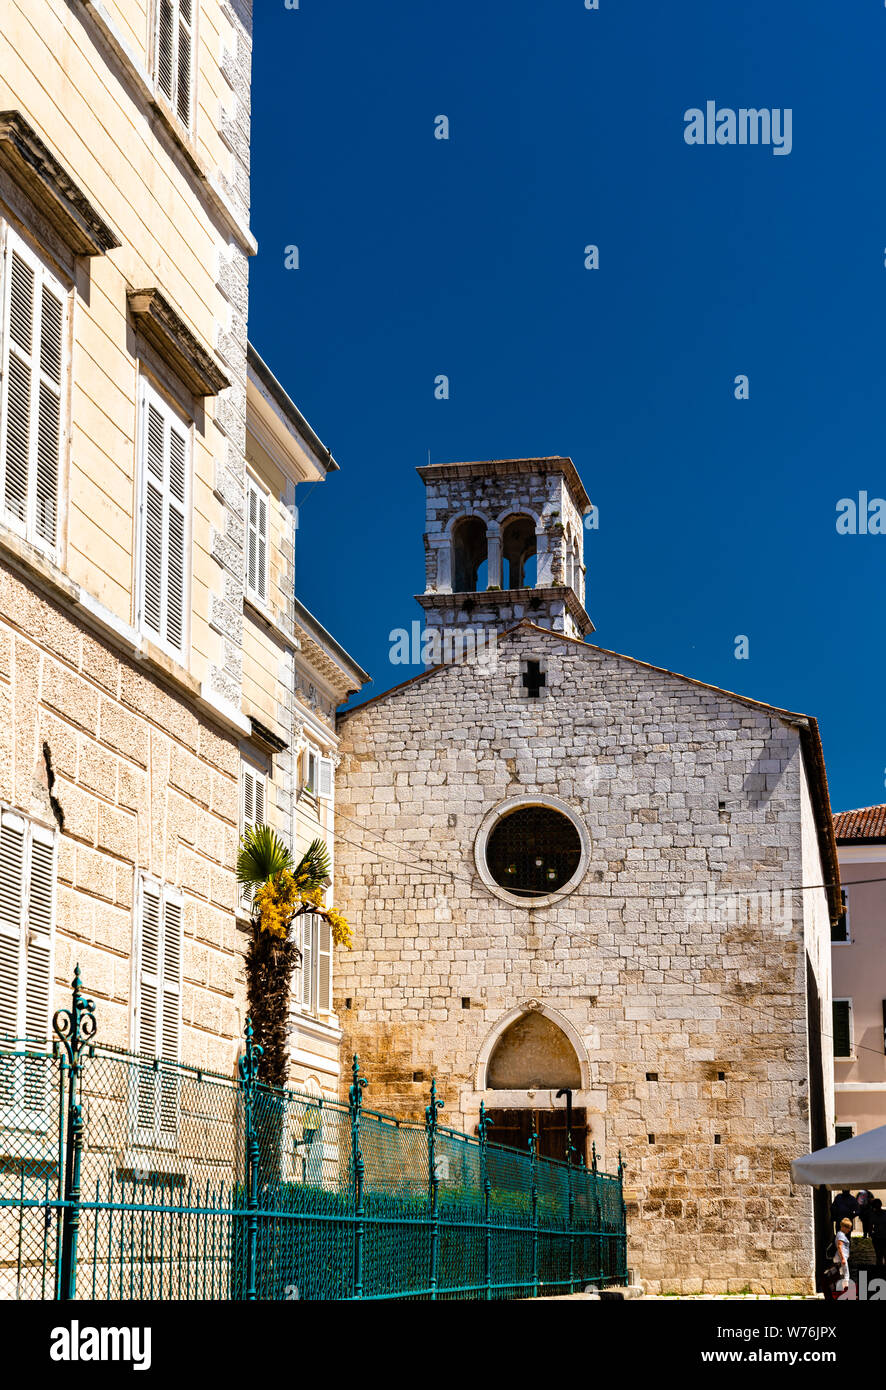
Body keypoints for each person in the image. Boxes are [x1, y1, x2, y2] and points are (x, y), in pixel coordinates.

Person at [835, 1217, 853, 1294]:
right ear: (843, 1227)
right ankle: (846, 1292)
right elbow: (839, 1247)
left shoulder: (840, 1234)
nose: (849, 1230)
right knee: (846, 1275)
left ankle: (842, 1292)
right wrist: (843, 1258)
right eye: (848, 1227)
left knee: (842, 1275)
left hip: (842, 1257)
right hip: (841, 1258)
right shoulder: (841, 1235)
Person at [871, 1198, 886, 1270]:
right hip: (880, 1237)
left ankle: (880, 1272)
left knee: (879, 1256)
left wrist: (871, 1233)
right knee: (880, 1256)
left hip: (877, 1238)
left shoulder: (872, 1215)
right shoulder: (885, 1213)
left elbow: (870, 1226)